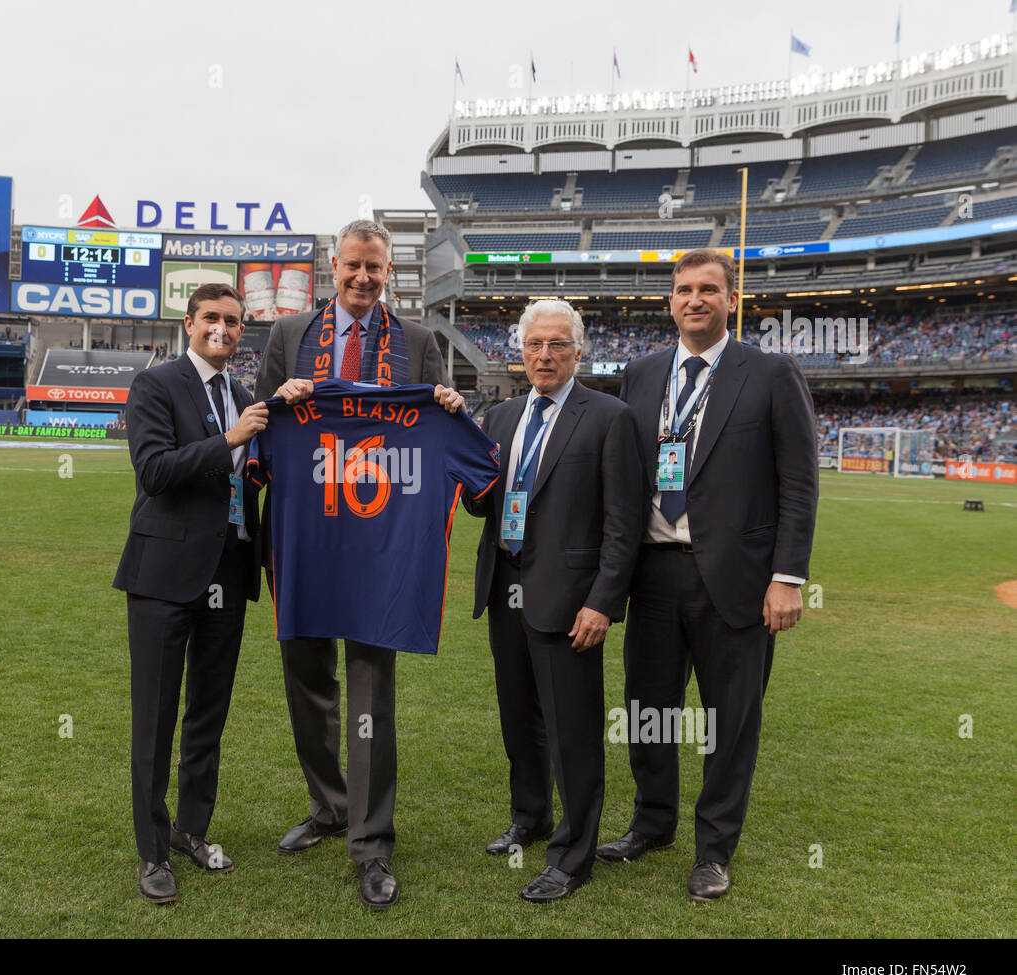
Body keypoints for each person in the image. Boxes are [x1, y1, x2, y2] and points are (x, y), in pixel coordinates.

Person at [256, 218, 465, 911]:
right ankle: (329, 804)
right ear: (333, 267)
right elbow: (258, 426)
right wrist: (277, 404)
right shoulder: (289, 338)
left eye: (375, 269)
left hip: (383, 549)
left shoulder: (418, 343)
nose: (364, 278)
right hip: (308, 545)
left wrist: (452, 406)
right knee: (307, 679)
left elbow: (440, 432)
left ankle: (372, 844)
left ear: (389, 274)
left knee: (372, 695)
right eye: (353, 266)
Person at [599, 249, 818, 901]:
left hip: (740, 581)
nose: (694, 299)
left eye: (707, 290)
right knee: (649, 712)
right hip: (655, 574)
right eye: (683, 290)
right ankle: (652, 823)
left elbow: (799, 482)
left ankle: (714, 850)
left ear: (730, 299)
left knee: (730, 722)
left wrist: (789, 576)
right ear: (670, 300)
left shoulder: (771, 372)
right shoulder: (639, 374)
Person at [465, 299, 645, 902]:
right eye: (535, 344)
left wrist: (602, 601)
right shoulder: (501, 416)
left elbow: (624, 524)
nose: (545, 355)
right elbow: (480, 504)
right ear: (520, 351)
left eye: (558, 345)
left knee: (572, 729)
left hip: (570, 599)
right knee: (520, 718)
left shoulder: (609, 417)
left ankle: (573, 853)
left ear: (578, 350)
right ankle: (531, 816)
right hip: (505, 587)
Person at [113, 283, 269, 905]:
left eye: (233, 321)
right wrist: (229, 442)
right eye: (212, 319)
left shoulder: (243, 394)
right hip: (162, 576)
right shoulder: (157, 385)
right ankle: (152, 853)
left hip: (228, 571)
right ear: (189, 323)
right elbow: (154, 470)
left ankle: (191, 831)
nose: (223, 329)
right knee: (154, 716)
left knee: (208, 712)